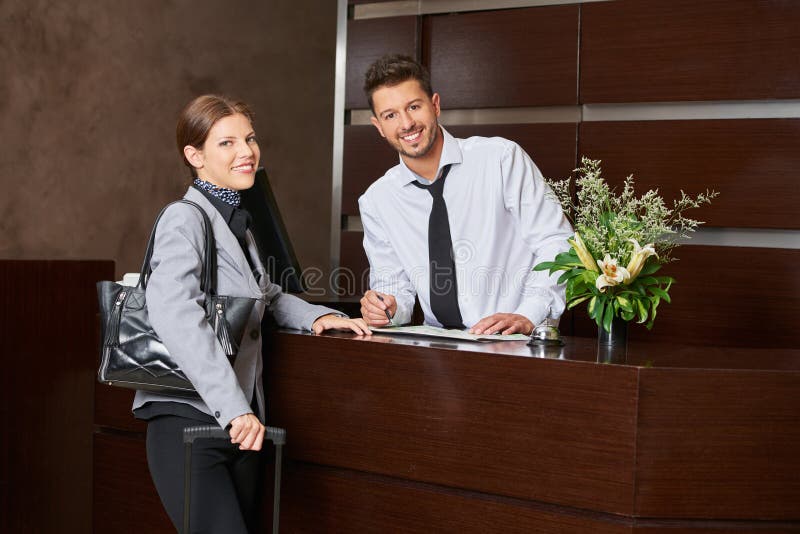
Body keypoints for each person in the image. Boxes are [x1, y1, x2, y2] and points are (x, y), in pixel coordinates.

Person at [132, 94, 370, 533]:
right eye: (227, 143)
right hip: (193, 422)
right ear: (194, 155)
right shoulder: (184, 220)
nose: (247, 152)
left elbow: (267, 294)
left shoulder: (234, 219)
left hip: (241, 424)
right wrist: (235, 410)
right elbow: (175, 314)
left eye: (250, 138)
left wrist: (316, 316)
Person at [358, 55, 573, 335]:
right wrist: (385, 309)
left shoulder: (500, 159)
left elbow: (557, 243)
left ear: (435, 105)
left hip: (513, 342)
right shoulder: (377, 200)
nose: (406, 123)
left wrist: (529, 313)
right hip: (436, 346)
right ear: (379, 126)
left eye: (413, 106)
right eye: (391, 115)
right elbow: (395, 290)